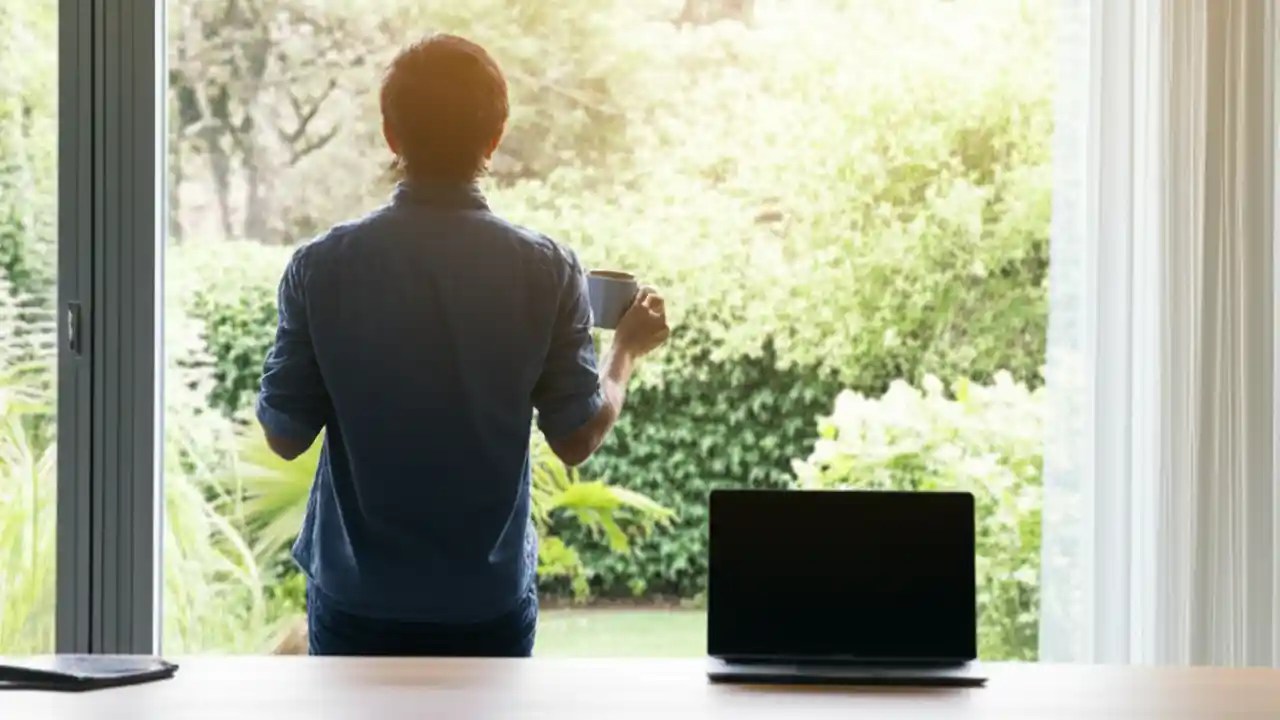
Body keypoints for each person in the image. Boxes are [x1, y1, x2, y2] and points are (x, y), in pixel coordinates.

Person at [255, 34, 670, 657]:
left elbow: (284, 435)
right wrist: (626, 351)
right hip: (485, 604)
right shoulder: (547, 270)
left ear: (391, 135)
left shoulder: (321, 267)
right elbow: (577, 438)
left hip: (356, 602)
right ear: (494, 137)